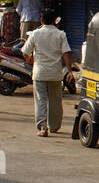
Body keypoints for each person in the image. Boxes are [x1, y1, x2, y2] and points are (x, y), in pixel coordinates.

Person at [22, 8, 74, 137]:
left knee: (40, 100)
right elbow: (66, 53)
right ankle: (54, 126)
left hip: (39, 73)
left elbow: (25, 52)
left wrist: (30, 60)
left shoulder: (35, 34)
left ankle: (42, 128)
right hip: (55, 73)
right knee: (55, 101)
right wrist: (70, 71)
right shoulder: (61, 34)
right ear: (55, 21)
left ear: (41, 20)